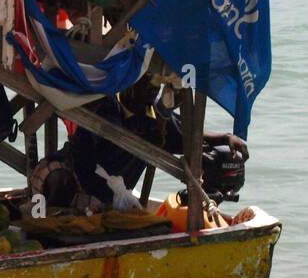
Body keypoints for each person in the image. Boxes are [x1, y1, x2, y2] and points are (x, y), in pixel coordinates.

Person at [66, 78, 248, 210]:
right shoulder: (108, 107)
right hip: (79, 185)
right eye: (144, 83)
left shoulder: (155, 116)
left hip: (113, 198)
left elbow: (188, 136)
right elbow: (84, 155)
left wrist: (225, 137)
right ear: (130, 83)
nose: (151, 89)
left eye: (155, 85)